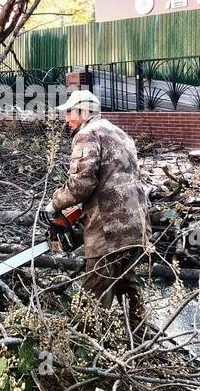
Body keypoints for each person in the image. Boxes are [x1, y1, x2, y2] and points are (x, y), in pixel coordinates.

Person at [50, 90, 149, 321]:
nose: (67, 118)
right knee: (126, 281)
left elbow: (81, 184)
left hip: (109, 228)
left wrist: (55, 203)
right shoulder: (120, 133)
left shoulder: (87, 134)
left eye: (70, 112)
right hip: (136, 222)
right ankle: (139, 333)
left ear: (85, 111)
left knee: (94, 290)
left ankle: (87, 344)